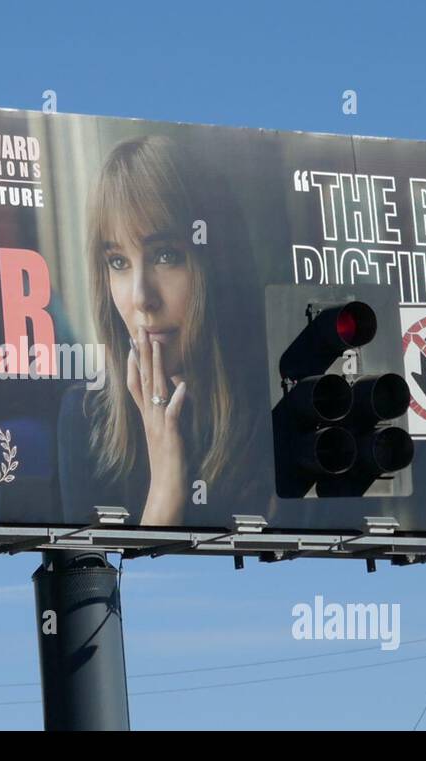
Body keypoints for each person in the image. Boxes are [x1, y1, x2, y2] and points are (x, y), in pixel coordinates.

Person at [58, 134, 270, 527]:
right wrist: (165, 487)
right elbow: (105, 588)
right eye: (118, 262)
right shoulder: (85, 420)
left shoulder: (282, 416)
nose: (141, 297)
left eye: (166, 256)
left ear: (215, 262)